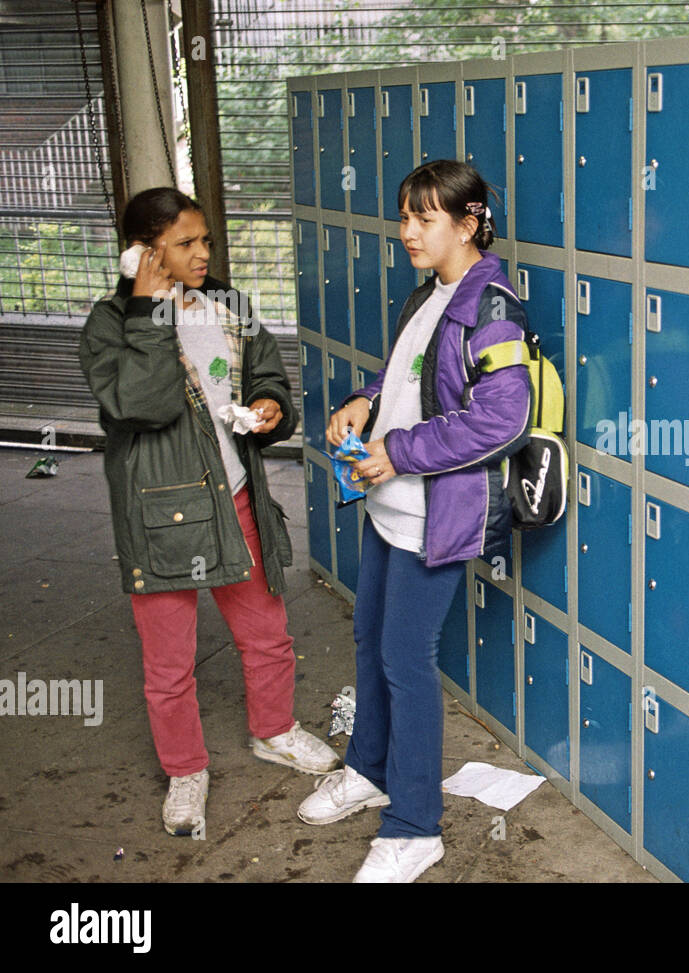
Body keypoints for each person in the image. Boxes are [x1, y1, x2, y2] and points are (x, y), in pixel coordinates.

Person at [296, 160, 531, 882]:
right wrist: (366, 401)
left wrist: (397, 449)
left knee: (406, 658)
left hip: (436, 512)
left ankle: (415, 825)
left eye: (423, 218)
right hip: (389, 505)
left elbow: (504, 416)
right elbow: (412, 375)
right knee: (370, 639)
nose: (406, 232)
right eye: (404, 216)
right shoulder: (428, 295)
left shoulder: (492, 304)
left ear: (468, 223)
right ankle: (369, 768)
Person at [79, 187, 338, 837]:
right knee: (169, 663)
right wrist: (147, 310)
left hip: (234, 497)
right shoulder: (110, 325)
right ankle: (185, 769)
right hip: (161, 516)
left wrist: (271, 407)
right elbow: (142, 402)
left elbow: (266, 375)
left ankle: (273, 729)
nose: (202, 253)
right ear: (143, 251)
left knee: (267, 632)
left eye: (206, 241)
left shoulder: (229, 306)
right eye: (185, 242)